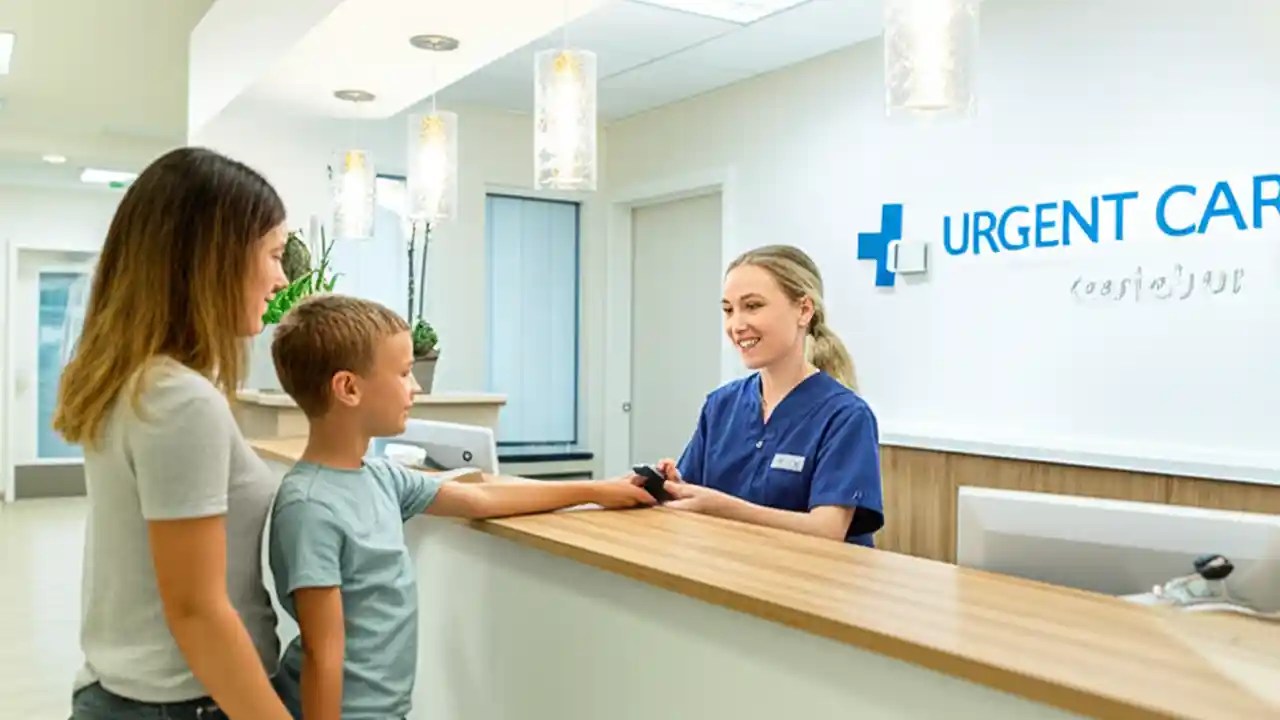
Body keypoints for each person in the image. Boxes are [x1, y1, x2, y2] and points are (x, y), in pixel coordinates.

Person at [265, 293, 656, 720]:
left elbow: (479, 498)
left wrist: (595, 491)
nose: (415, 387)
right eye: (403, 372)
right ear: (349, 388)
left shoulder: (380, 478)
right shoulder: (309, 507)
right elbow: (324, 653)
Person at [54, 147, 294, 718]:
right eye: (274, 254)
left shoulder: (139, 383)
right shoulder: (178, 401)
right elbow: (197, 612)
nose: (281, 277)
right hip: (177, 705)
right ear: (215, 258)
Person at [645, 244, 885, 546]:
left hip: (813, 584)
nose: (737, 325)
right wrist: (674, 487)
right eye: (728, 310)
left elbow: (828, 529)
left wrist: (722, 508)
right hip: (733, 575)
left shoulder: (845, 416)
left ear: (804, 310)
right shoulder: (721, 406)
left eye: (753, 306)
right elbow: (694, 491)